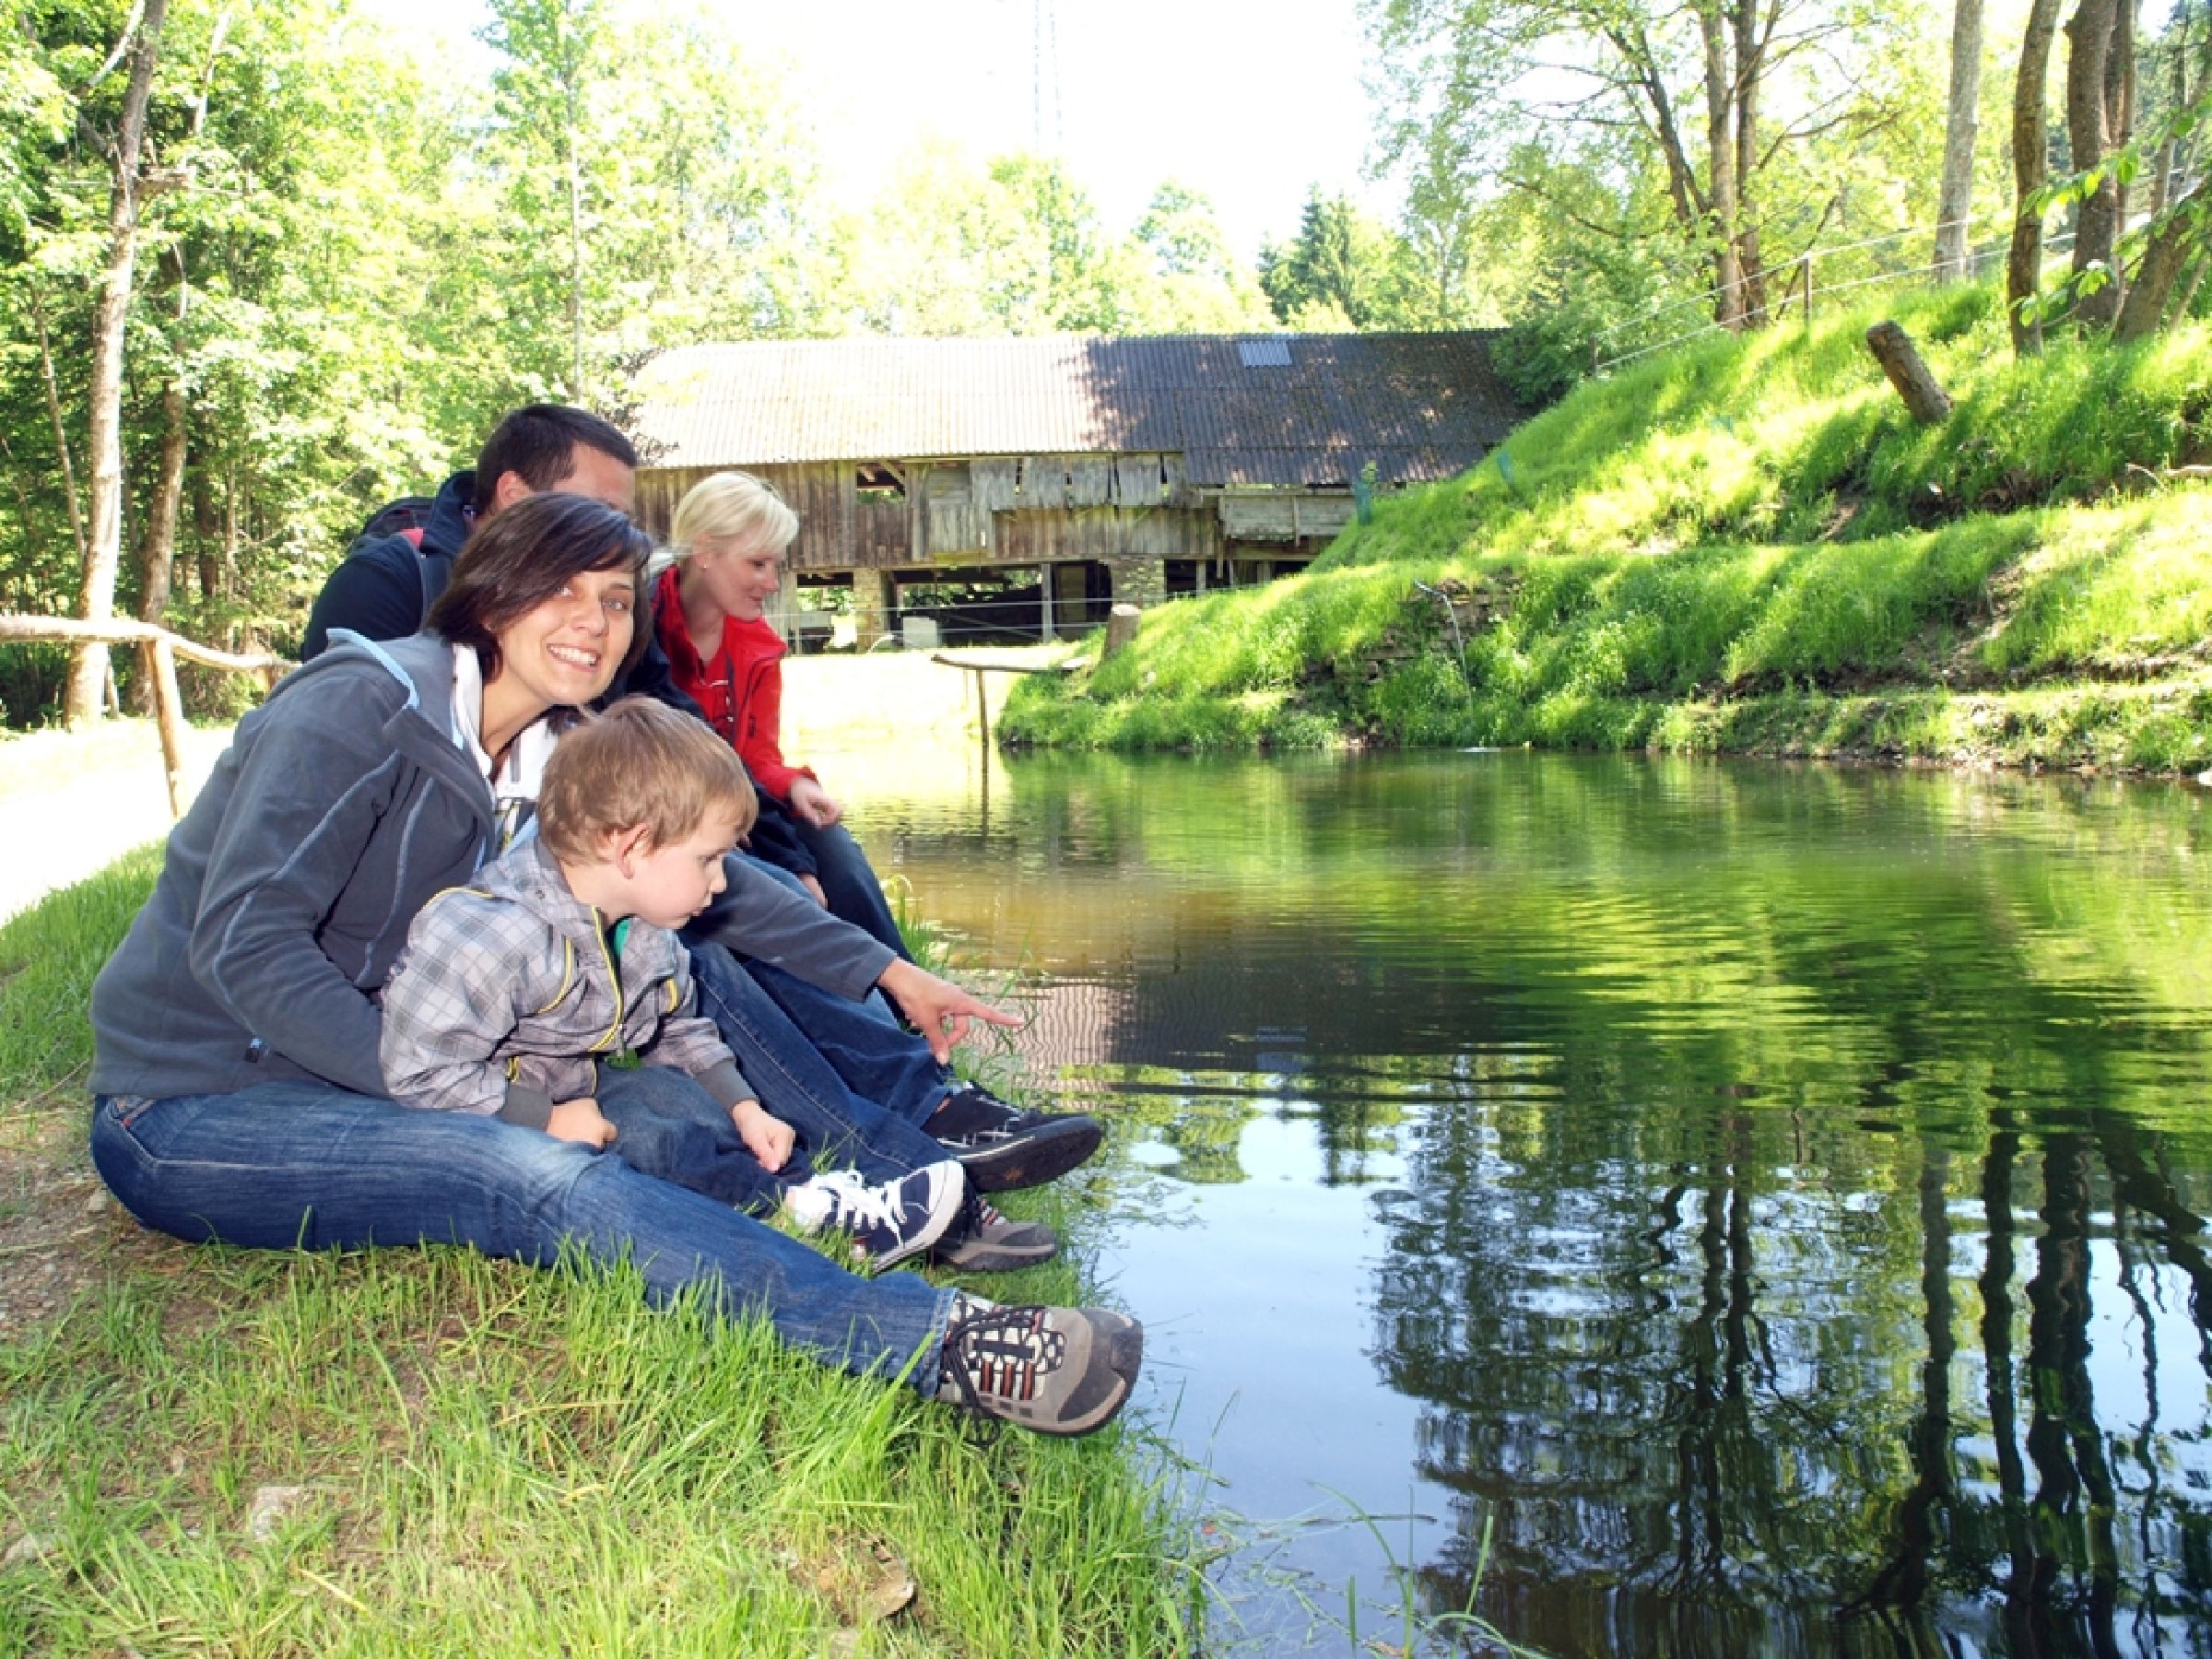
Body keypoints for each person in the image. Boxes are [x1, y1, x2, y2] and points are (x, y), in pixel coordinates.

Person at [88, 492, 1144, 1438]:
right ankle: (943, 1345)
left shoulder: (550, 749)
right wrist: (495, 1104)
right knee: (531, 1170)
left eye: (616, 598)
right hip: (200, 1102)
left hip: (406, 1056)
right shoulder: (364, 708)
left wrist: (885, 970)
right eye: (564, 590)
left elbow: (712, 881)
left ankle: (875, 1191)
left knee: (670, 1020)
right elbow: (247, 948)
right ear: (493, 595)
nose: (595, 623)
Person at [299, 406, 1108, 1251]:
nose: (602, 606)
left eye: (616, 587)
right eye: (592, 522)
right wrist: (479, 1092)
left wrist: (883, 964)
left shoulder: (592, 673)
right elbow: (322, 863)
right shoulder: (389, 616)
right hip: (468, 961)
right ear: (512, 503)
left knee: (704, 915)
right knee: (693, 947)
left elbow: (692, 772)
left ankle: (921, 1127)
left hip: (571, 906)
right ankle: (905, 1166)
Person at [380, 697, 964, 1270]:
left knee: (677, 1101)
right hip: (466, 1123)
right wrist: (545, 1119)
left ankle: (810, 1197)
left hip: (568, 1094)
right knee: (649, 1137)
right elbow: (417, 1072)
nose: (719, 883)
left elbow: (677, 1028)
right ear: (632, 847)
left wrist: (743, 1107)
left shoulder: (644, 931)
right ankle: (807, 1211)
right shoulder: (490, 933)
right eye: (708, 860)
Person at [655, 470, 905, 959]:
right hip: (674, 810)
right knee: (784, 884)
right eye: (758, 564)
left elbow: (756, 755)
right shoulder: (642, 624)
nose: (772, 584)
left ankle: (907, 997)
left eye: (775, 566)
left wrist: (794, 784)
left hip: (744, 800)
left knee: (834, 849)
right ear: (704, 551)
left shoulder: (759, 649)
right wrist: (790, 860)